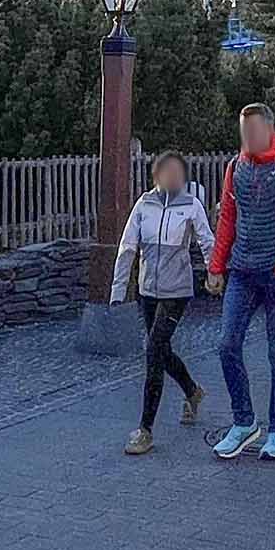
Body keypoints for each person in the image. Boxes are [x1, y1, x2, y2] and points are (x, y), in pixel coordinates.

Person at [208, 103, 275, 460]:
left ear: (269, 129)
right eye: (244, 131)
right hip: (241, 271)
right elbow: (228, 220)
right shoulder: (235, 168)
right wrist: (216, 266)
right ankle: (243, 422)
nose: (249, 138)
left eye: (254, 130)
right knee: (226, 345)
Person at [110, 150, 211, 455]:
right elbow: (128, 247)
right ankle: (192, 391)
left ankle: (145, 429)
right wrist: (119, 289)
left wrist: (214, 273)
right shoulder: (144, 205)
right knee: (161, 350)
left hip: (177, 291)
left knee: (153, 351)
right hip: (147, 291)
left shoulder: (191, 206)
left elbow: (207, 240)